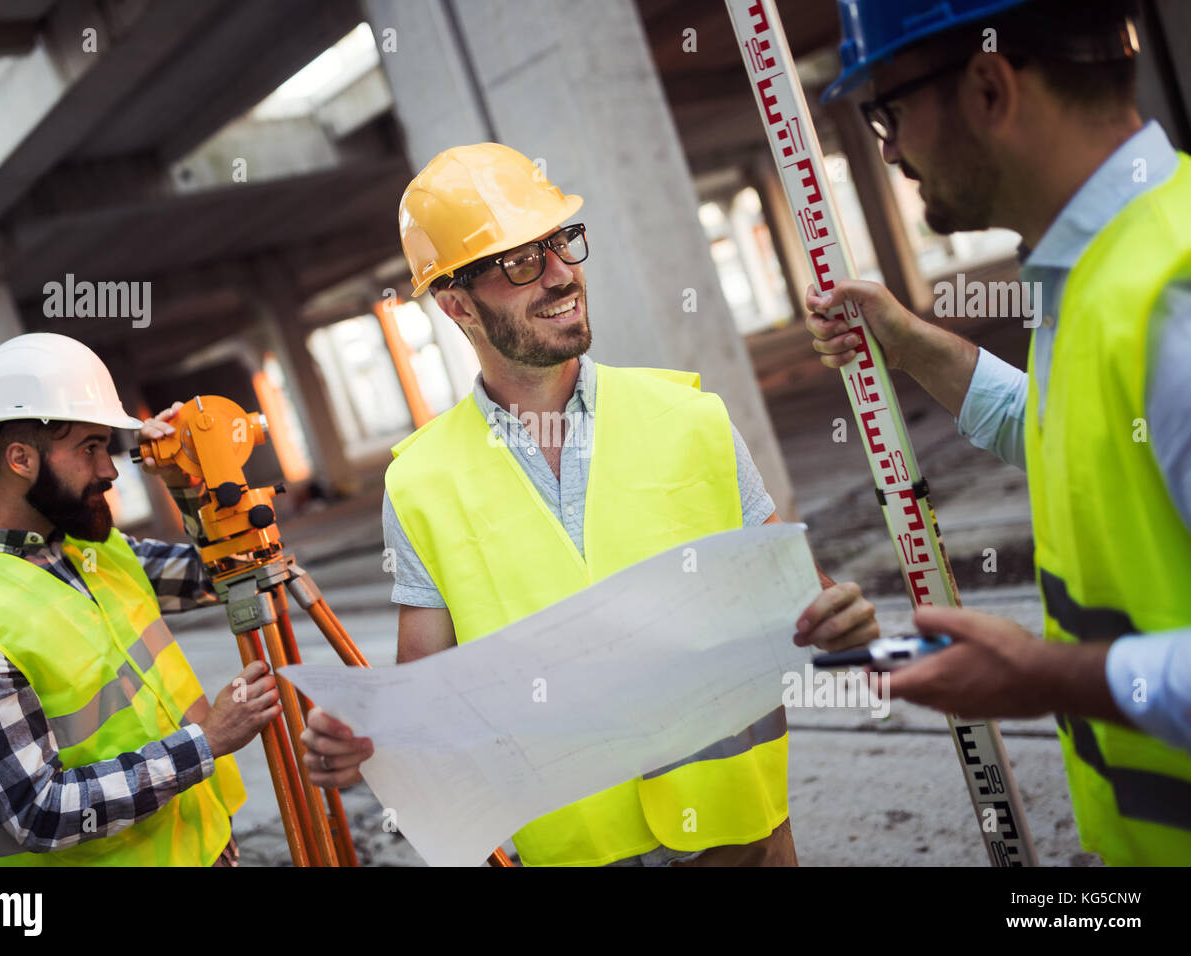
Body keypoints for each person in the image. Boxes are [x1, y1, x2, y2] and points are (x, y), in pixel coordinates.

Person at [302, 142, 881, 867]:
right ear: (456, 306)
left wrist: (842, 622)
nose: (562, 275)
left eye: (560, 244)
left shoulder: (690, 418)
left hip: (741, 842)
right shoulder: (420, 483)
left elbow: (801, 604)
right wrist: (369, 744)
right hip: (580, 852)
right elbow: (427, 695)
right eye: (520, 262)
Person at [807, 0, 1191, 864]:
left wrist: (1040, 676)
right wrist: (911, 345)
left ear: (987, 86)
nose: (889, 150)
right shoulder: (1108, 264)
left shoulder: (1173, 296)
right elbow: (1070, 436)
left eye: (888, 112)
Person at [0, 333, 281, 865]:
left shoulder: (89, 548)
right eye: (90, 449)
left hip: (210, 846)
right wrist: (205, 743)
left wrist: (188, 476)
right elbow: (35, 810)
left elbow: (226, 569)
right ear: (21, 458)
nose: (110, 470)